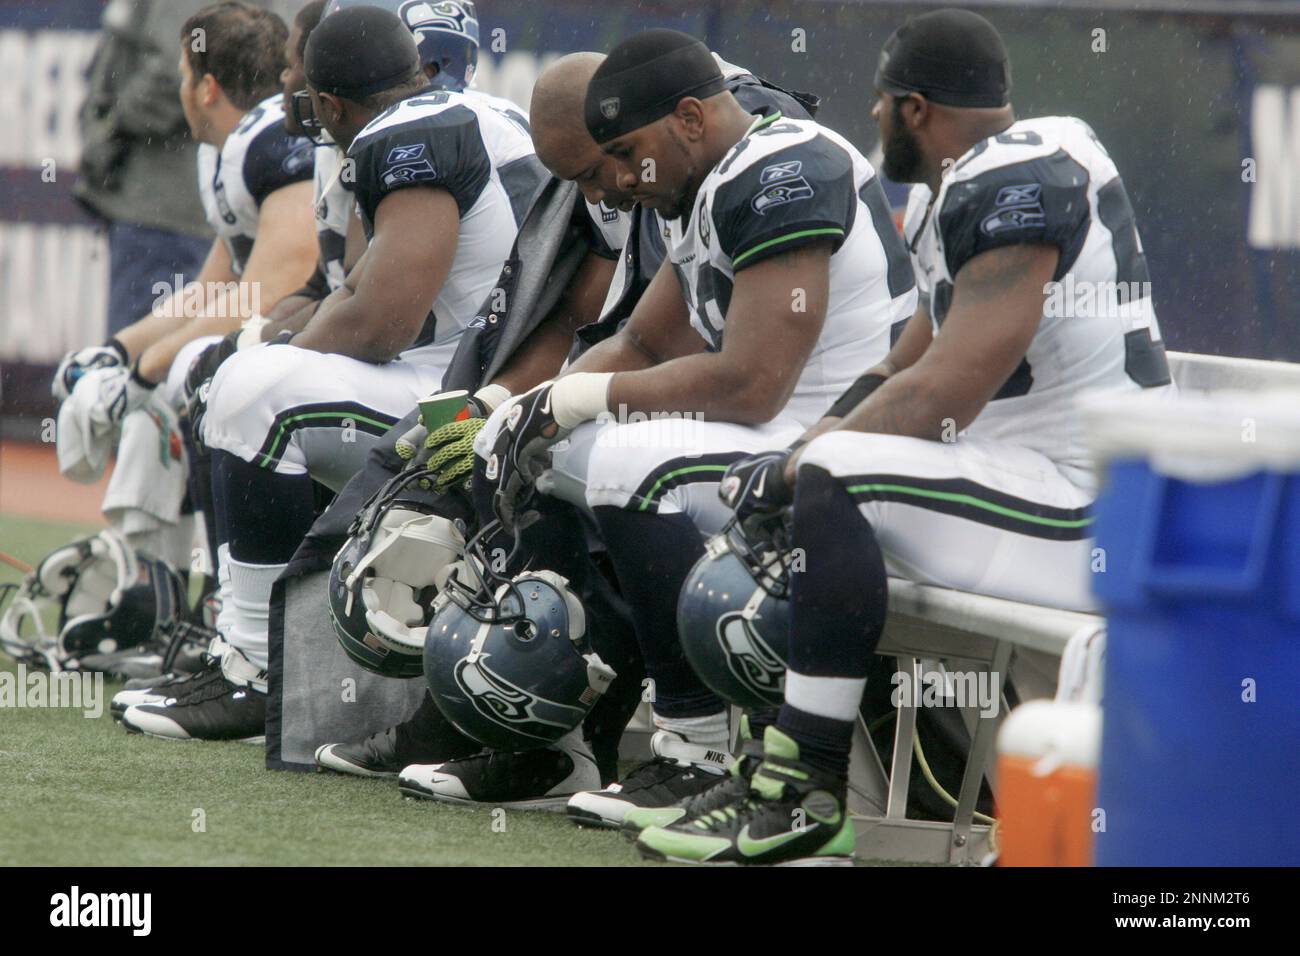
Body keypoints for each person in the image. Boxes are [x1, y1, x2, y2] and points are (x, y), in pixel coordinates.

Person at [634, 6, 1175, 866]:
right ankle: (781, 769)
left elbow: (948, 389)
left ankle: (804, 787)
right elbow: (901, 366)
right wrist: (804, 445)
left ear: (916, 108)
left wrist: (807, 464)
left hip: (1093, 506)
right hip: (1041, 479)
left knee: (837, 480)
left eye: (885, 104)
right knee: (818, 474)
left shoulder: (1016, 177)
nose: (875, 119)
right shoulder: (982, 178)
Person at [481, 28, 916, 827]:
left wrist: (579, 402)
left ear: (688, 117)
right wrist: (523, 408)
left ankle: (692, 747)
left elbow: (752, 384)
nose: (611, 185)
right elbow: (644, 342)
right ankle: (570, 723)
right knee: (542, 453)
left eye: (623, 154)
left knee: (623, 463)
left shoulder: (781, 170)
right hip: (788, 441)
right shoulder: (705, 181)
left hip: (837, 454)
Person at [119, 4, 545, 743]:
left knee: (253, 393)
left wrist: (277, 349)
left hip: (465, 403)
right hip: (473, 383)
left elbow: (383, 321)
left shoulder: (407, 133)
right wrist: (285, 329)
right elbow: (337, 291)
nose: (286, 80)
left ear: (333, 101)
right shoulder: (428, 122)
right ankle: (256, 652)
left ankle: (259, 671)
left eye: (296, 68)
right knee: (251, 373)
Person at [54, 1, 318, 428]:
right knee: (184, 381)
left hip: (358, 351)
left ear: (207, 88)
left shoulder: (275, 143)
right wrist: (118, 351)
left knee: (193, 376)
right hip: (318, 340)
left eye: (184, 76)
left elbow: (264, 295)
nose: (181, 87)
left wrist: (143, 373)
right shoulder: (227, 149)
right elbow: (211, 289)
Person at [75, 0, 213, 338]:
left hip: (163, 211)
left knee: (137, 365)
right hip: (162, 209)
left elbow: (175, 68)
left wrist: (112, 126)